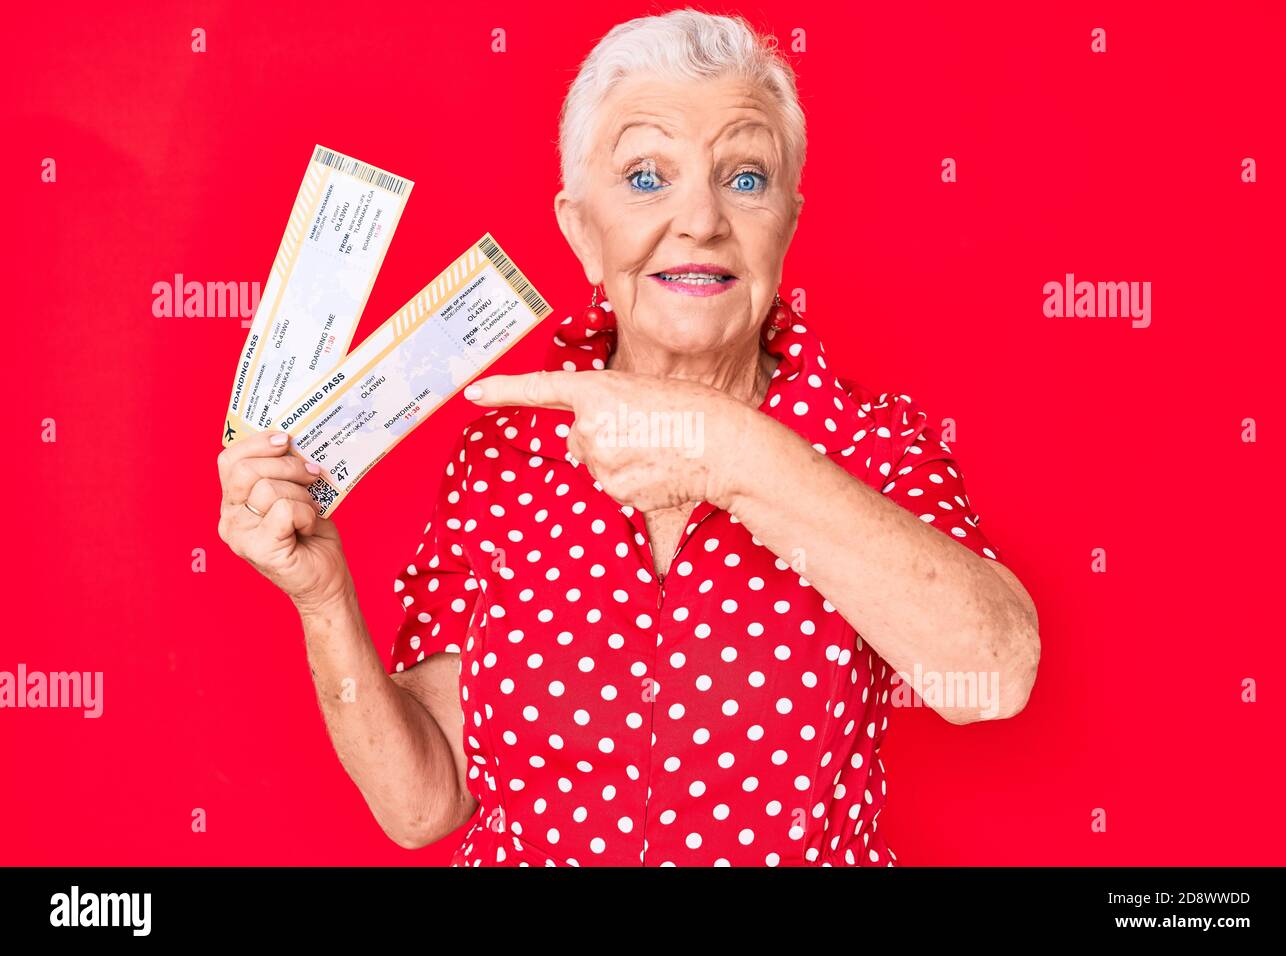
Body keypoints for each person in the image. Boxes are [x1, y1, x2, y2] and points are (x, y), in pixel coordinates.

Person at [216, 8, 1039, 866]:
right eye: (647, 176)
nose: (700, 219)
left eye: (745, 177)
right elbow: (426, 802)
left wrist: (726, 447)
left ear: (788, 221)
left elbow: (994, 672)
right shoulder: (504, 458)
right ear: (580, 229)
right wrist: (323, 600)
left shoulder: (874, 444)